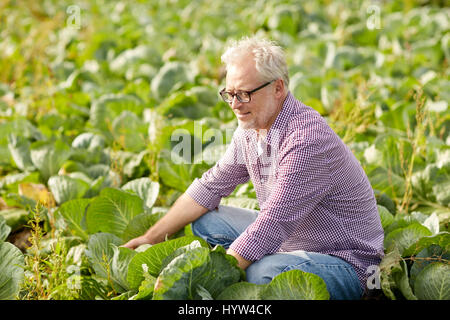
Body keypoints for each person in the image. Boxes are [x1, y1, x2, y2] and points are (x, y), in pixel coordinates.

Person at [123, 37, 384, 300]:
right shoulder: (252, 128)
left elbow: (273, 223)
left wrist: (207, 279)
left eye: (244, 94)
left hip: (345, 260)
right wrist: (150, 238)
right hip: (292, 241)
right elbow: (210, 186)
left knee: (263, 274)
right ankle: (258, 266)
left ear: (278, 88)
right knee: (206, 221)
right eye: (230, 94)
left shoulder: (307, 141)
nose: (235, 104)